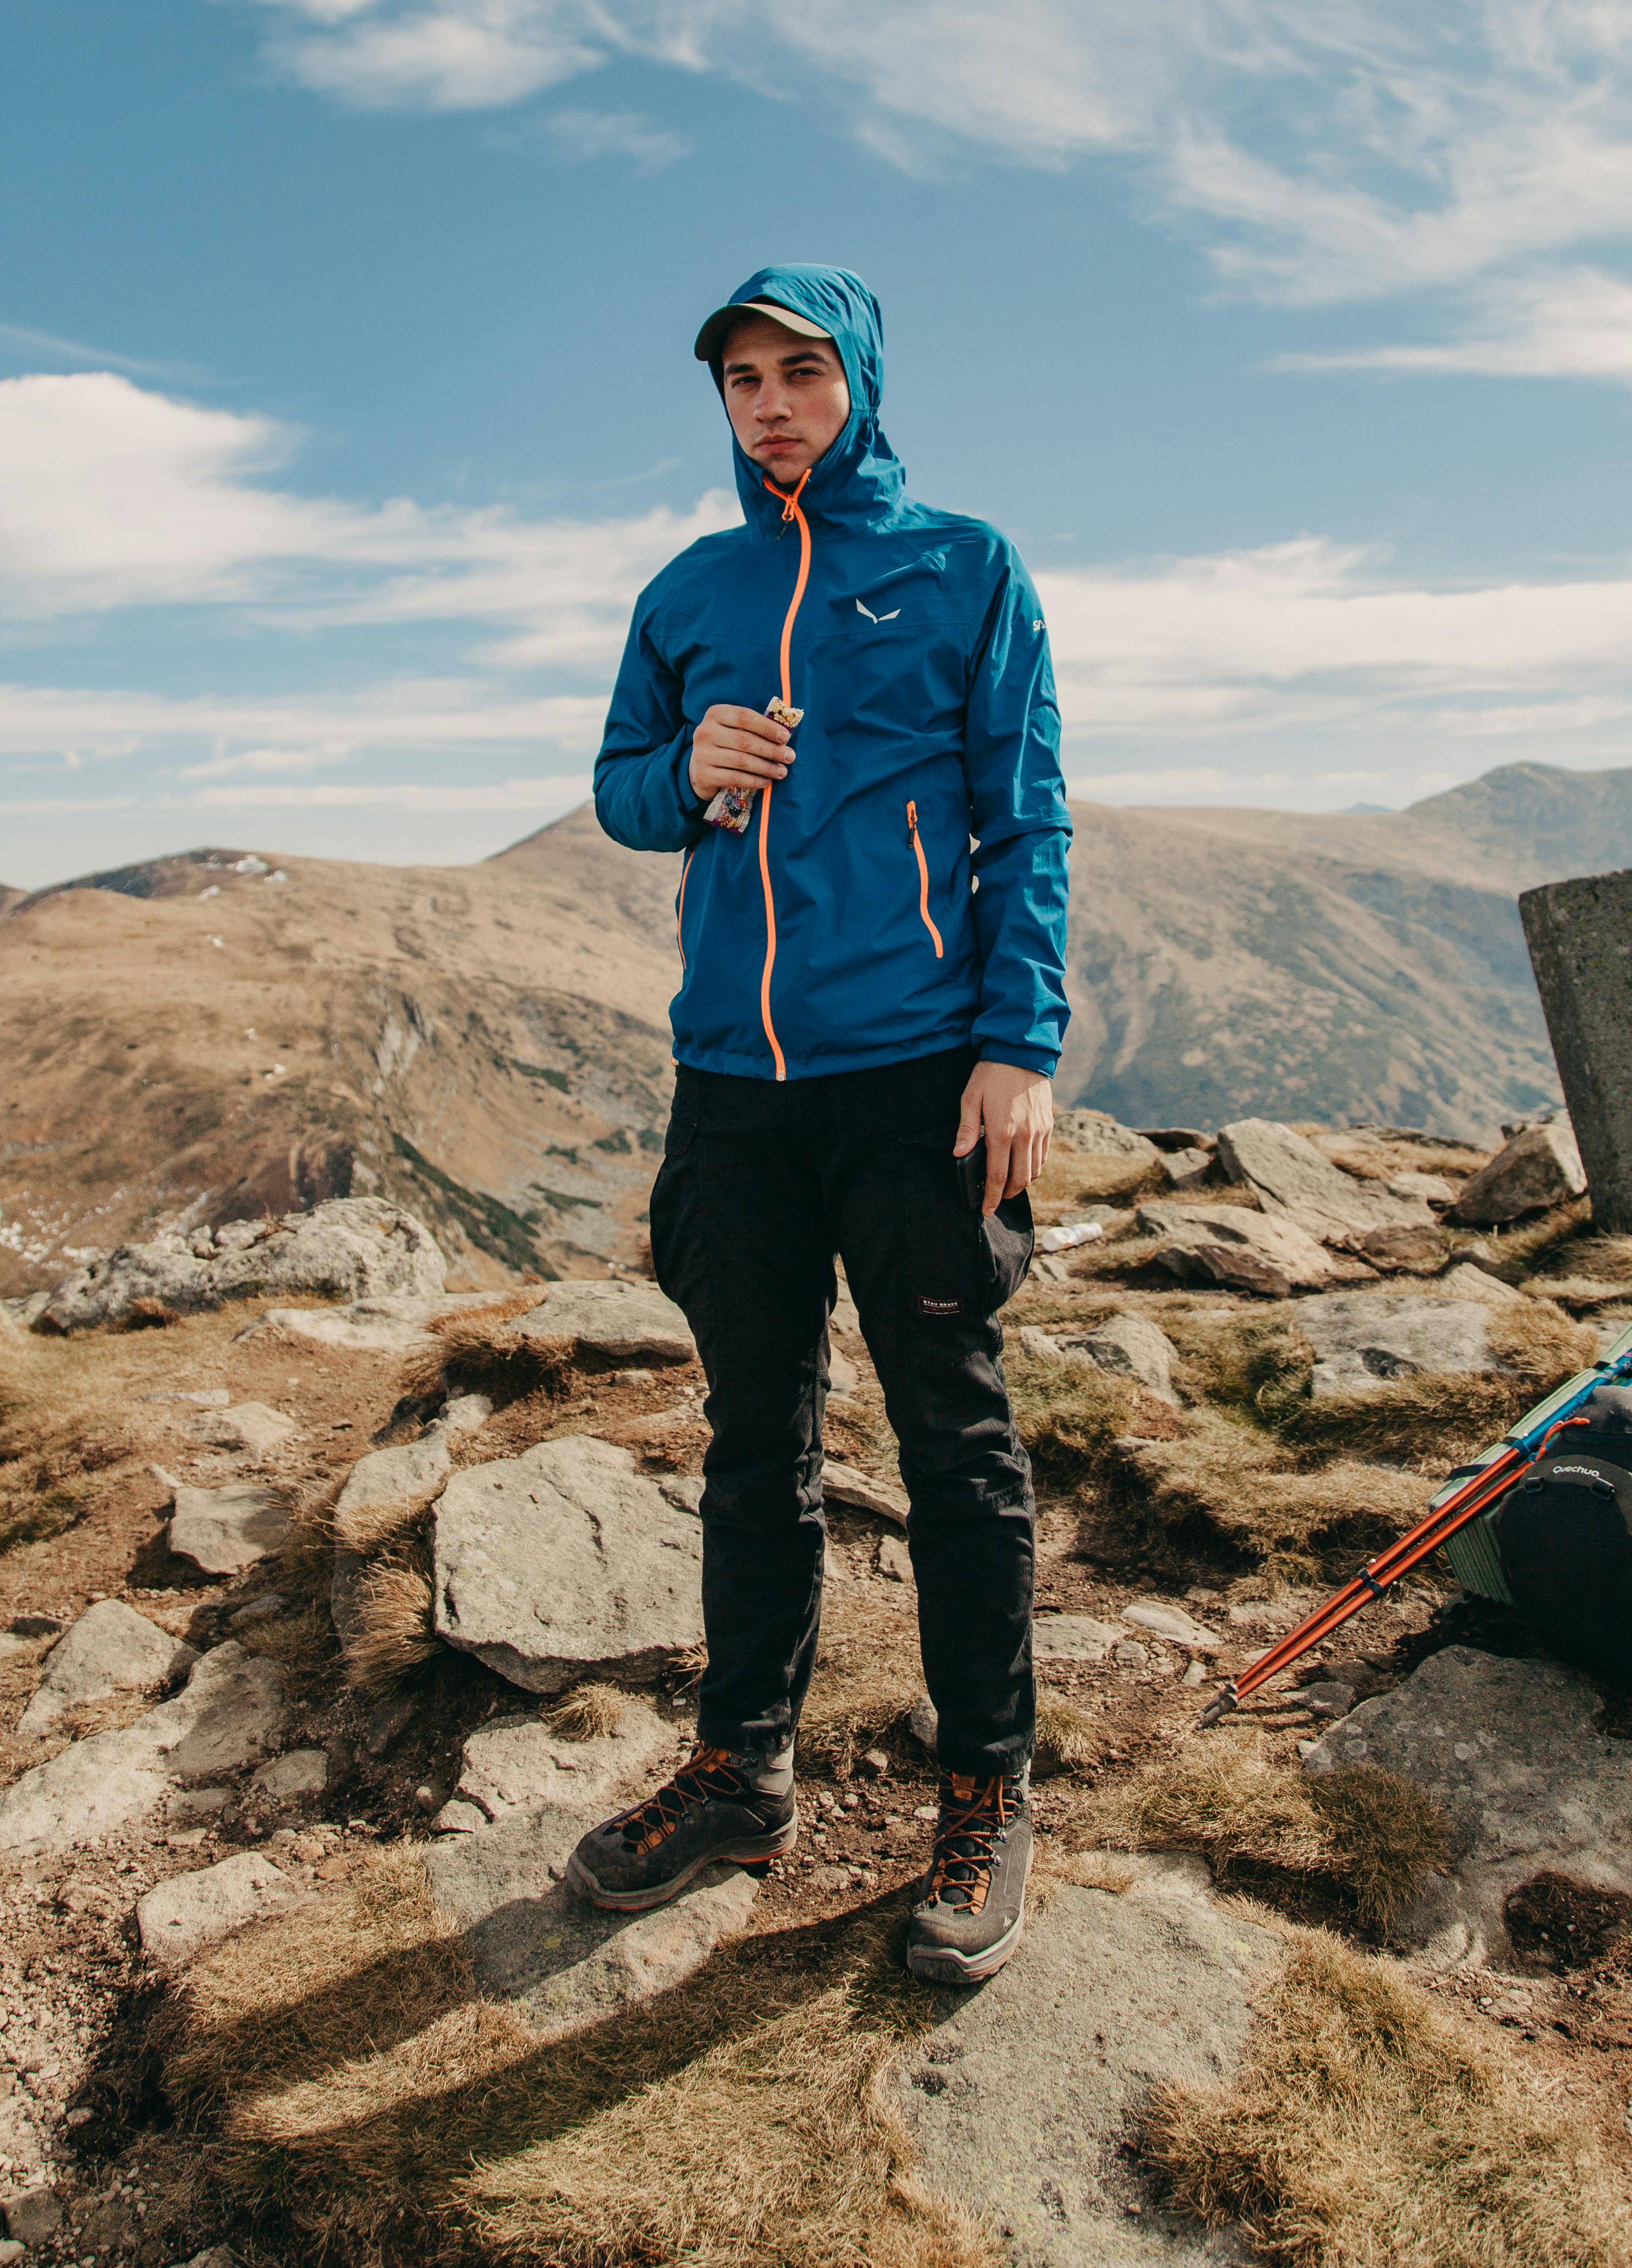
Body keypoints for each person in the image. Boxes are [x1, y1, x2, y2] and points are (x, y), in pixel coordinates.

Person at [569, 263, 1070, 1983]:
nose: (768, 402)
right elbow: (622, 787)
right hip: (734, 1088)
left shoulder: (965, 568)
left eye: (798, 370)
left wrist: (1019, 1040)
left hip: (915, 1079)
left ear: (856, 379)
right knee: (753, 1436)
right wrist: (687, 767)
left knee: (953, 1436)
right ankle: (741, 1769)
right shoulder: (687, 591)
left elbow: (1029, 818)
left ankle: (987, 1789)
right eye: (739, 380)